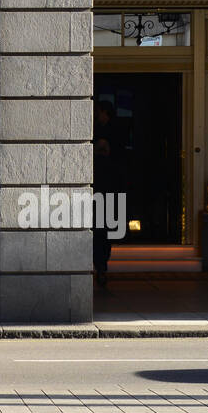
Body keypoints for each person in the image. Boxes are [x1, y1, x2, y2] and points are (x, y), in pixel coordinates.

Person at [93, 100, 122, 290]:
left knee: (99, 236)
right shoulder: (113, 167)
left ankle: (101, 266)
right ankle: (102, 266)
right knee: (104, 237)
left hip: (99, 201)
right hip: (107, 201)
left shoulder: (96, 167)